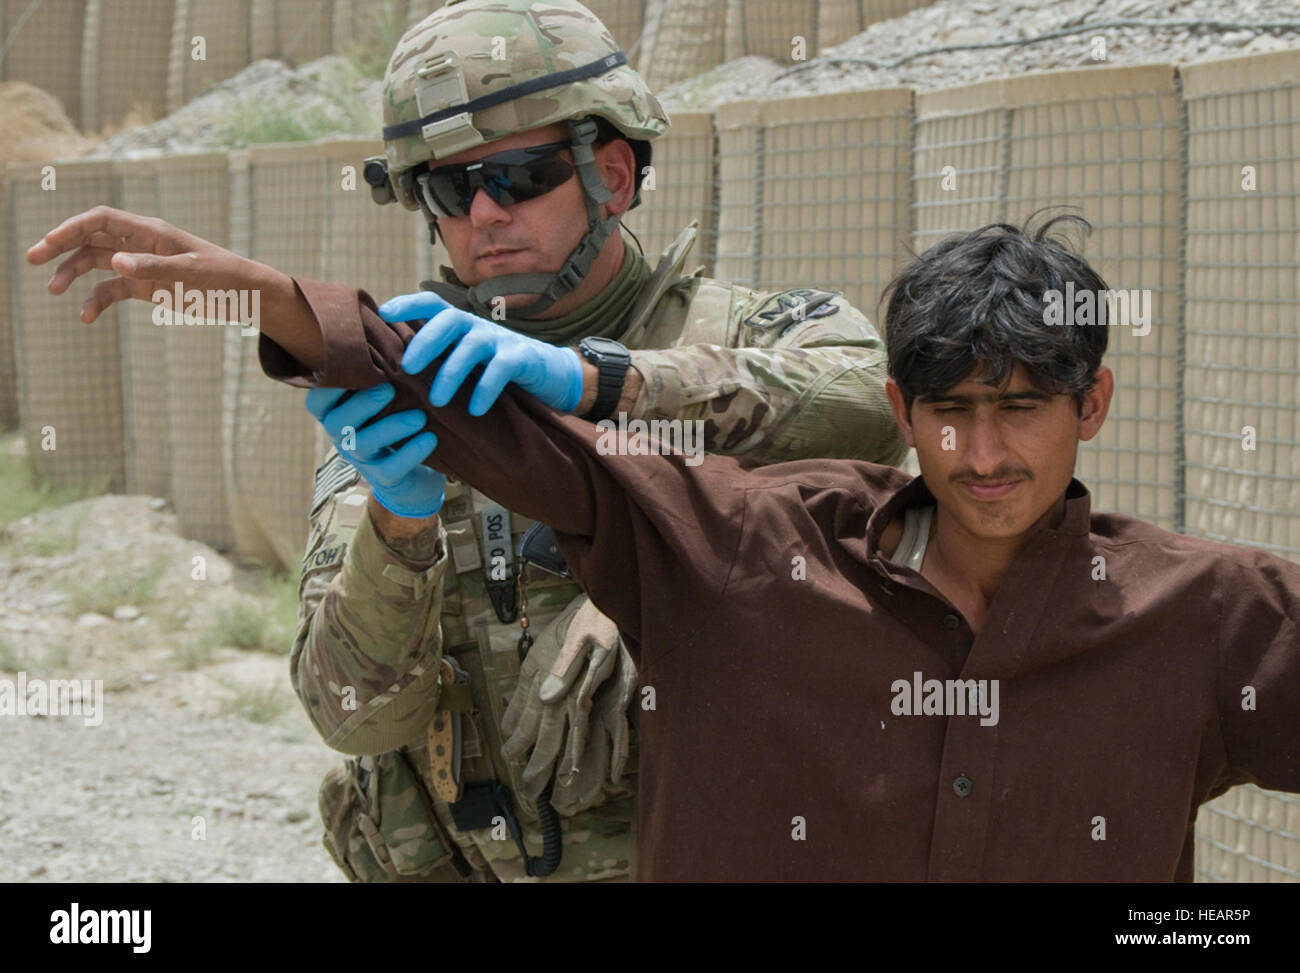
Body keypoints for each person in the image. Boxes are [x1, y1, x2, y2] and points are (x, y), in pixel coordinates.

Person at [27, 0, 907, 882]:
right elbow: (353, 715)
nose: (484, 212)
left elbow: (869, 404)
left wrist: (597, 383)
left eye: (519, 176)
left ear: (613, 173)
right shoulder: (410, 398)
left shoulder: (762, 331)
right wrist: (397, 525)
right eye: (450, 189)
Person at [244, 213, 1297, 881]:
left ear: (1092, 403)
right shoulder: (766, 553)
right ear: (904, 406)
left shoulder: (1201, 611)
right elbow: (546, 459)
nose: (982, 453)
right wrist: (291, 313)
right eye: (948, 411)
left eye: (1021, 408)